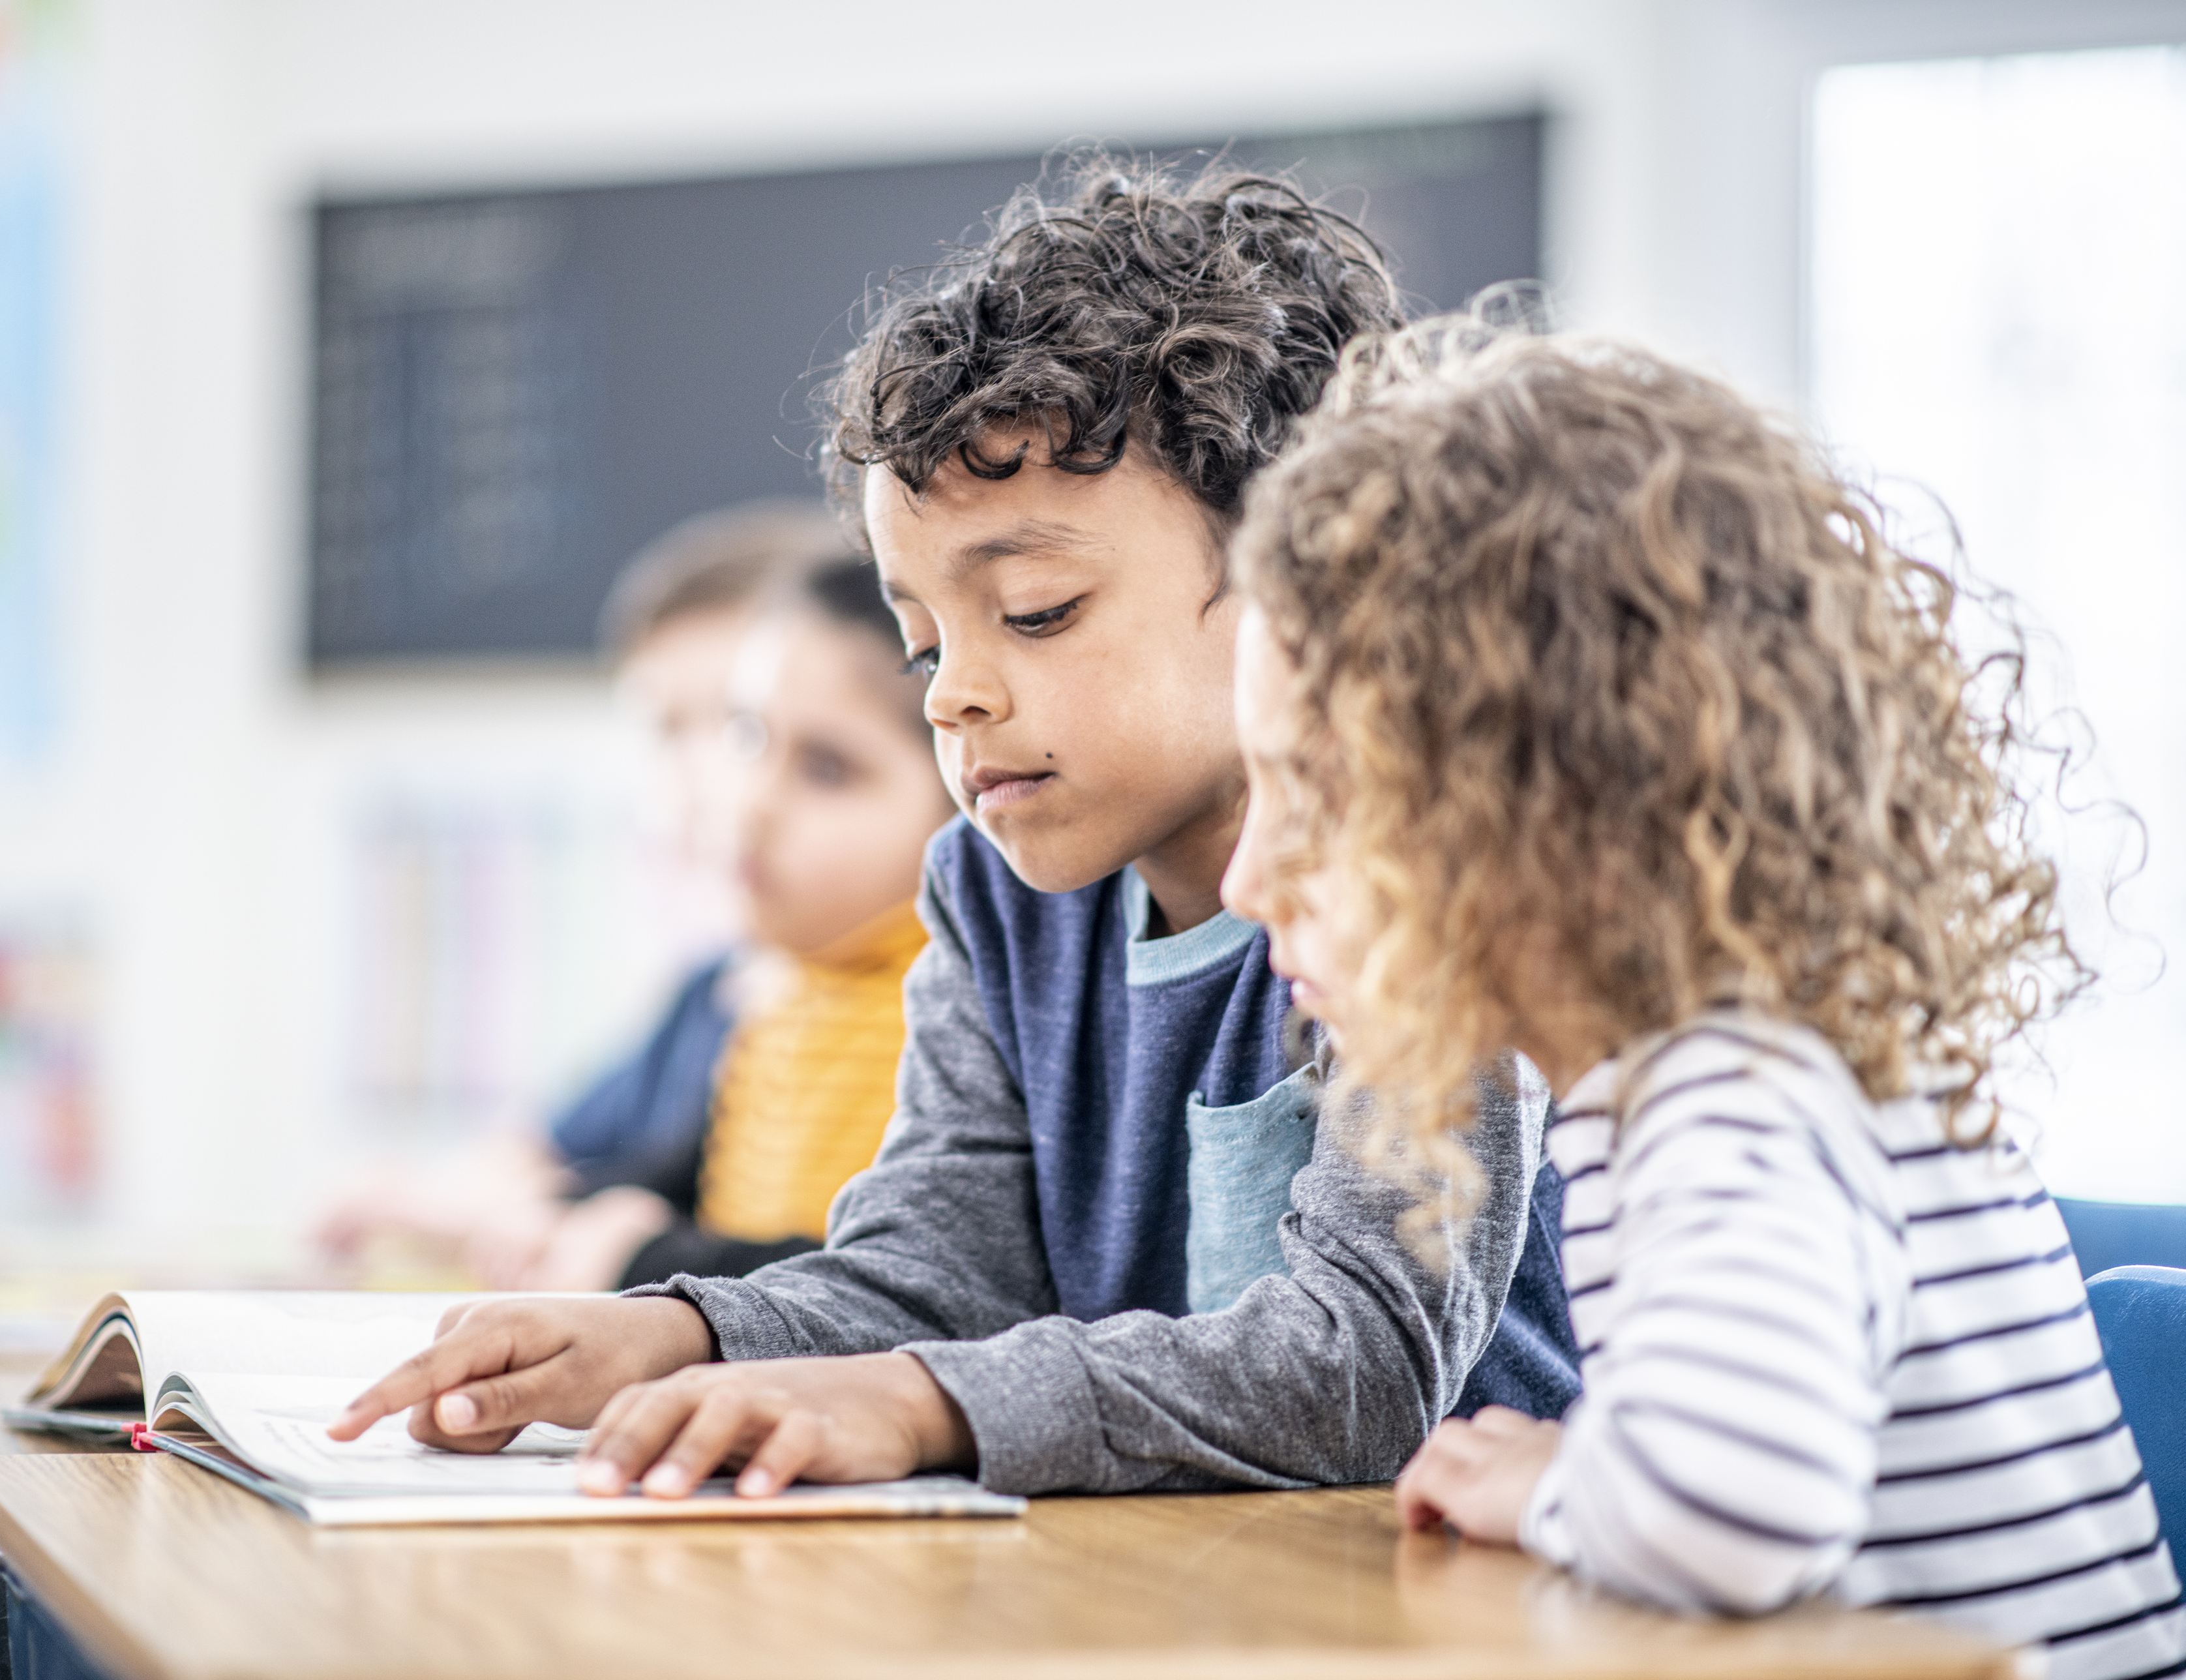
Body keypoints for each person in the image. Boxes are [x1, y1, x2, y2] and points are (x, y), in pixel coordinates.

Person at [330, 158, 1580, 1500]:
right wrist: (674, 1330)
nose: (954, 691)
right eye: (921, 637)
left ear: (1308, 584)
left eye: (1035, 609)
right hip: (1165, 1593)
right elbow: (939, 1269)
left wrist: (923, 1400)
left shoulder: (1413, 889)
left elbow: (1359, 1370)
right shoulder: (995, 897)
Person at [1221, 322, 2182, 1679]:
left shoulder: (1726, 1092)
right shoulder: (1740, 1058)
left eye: (1314, 793)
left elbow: (1740, 1517)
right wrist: (1606, 1461)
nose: (1248, 872)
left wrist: (1550, 1492)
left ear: (1554, 808)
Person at [317, 499, 914, 1290]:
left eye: (826, 765)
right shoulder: (750, 995)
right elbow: (633, 1170)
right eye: (745, 732)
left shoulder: (958, 1015)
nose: (740, 794)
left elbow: (915, 1284)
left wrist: (646, 1255)